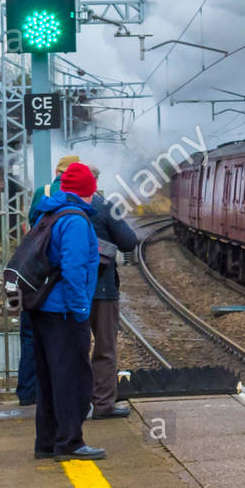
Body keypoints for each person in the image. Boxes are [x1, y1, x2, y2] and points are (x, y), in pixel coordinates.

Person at [27, 162, 103, 460]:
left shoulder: (48, 212)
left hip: (43, 308)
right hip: (64, 312)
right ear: (88, 192)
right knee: (72, 377)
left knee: (49, 377)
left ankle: (46, 442)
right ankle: (70, 442)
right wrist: (81, 310)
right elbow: (73, 269)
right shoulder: (75, 220)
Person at [15, 154, 80, 406]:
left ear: (56, 171)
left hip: (33, 271)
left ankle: (28, 392)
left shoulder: (42, 192)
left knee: (30, 337)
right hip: (58, 276)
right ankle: (59, 393)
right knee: (63, 341)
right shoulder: (77, 196)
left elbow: (33, 223)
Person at [85, 165, 138, 419]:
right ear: (93, 181)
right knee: (104, 348)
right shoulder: (103, 206)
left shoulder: (55, 206)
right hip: (102, 289)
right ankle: (103, 404)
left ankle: (74, 402)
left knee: (73, 348)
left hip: (66, 290)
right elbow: (128, 241)